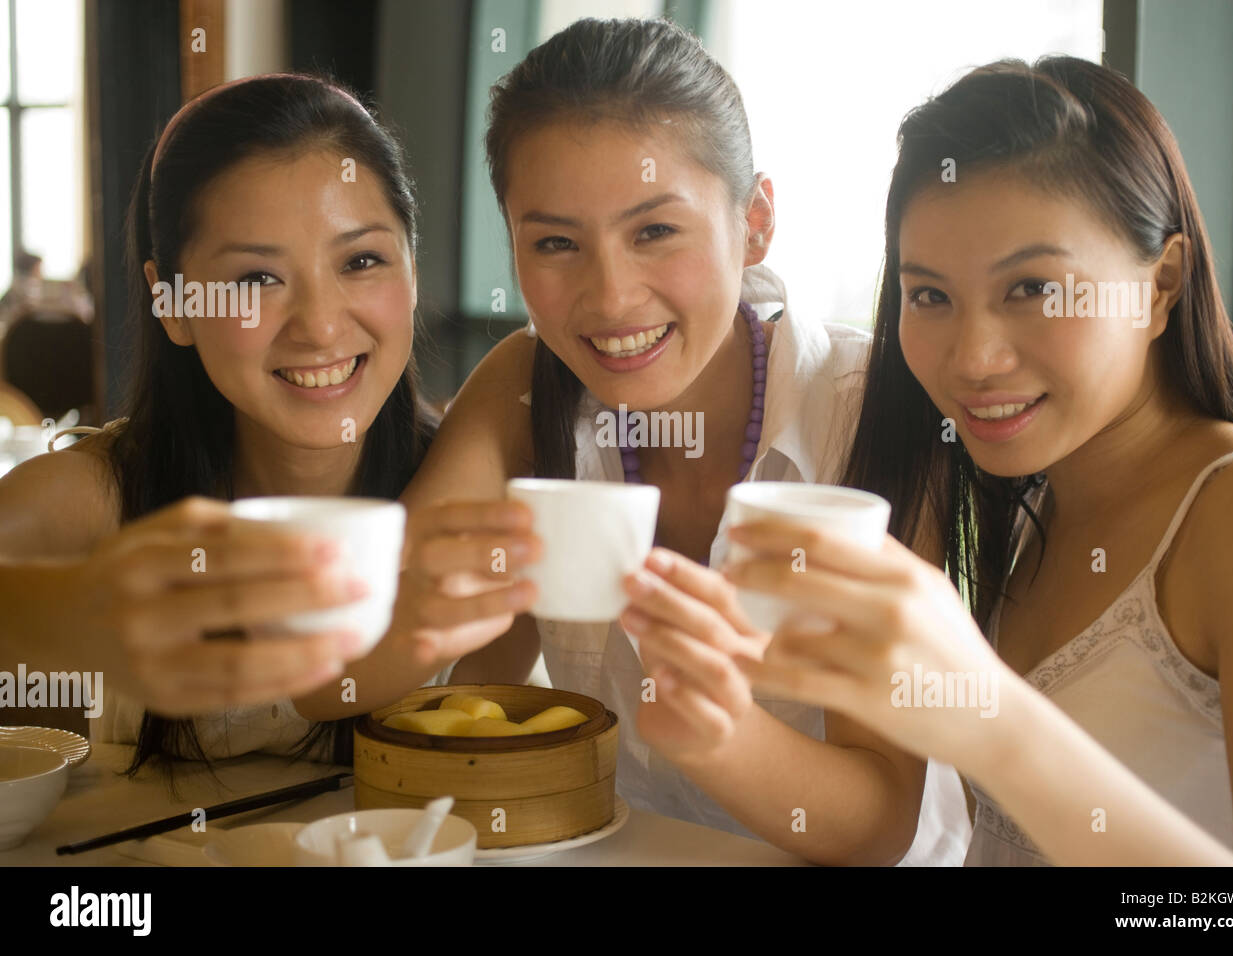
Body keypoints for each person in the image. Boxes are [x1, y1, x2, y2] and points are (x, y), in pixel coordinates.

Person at [399, 17, 971, 866]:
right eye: (556, 243)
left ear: (755, 222)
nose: (610, 296)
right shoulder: (529, 389)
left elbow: (884, 823)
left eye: (656, 231)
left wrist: (714, 730)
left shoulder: (869, 409)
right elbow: (450, 677)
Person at [725, 56, 1233, 865]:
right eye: (930, 295)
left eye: (1032, 289)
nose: (973, 359)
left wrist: (989, 717)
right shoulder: (1034, 507)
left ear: (1160, 283)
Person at [0, 74, 535, 772]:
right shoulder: (94, 502)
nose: (319, 326)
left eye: (362, 260)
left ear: (411, 267)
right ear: (174, 303)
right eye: (255, 279)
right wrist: (62, 611)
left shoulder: (472, 505)